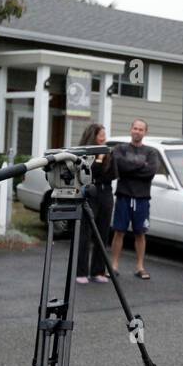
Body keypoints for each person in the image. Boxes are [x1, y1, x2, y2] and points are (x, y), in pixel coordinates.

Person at [109, 118, 163, 279]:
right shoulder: (120, 149)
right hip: (123, 196)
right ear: (131, 129)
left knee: (140, 233)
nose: (137, 131)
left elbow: (151, 171)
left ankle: (140, 267)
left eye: (141, 129)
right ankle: (114, 266)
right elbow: (119, 166)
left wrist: (130, 167)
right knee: (119, 231)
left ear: (145, 132)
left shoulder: (151, 152)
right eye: (135, 128)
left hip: (142, 198)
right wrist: (141, 165)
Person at [75, 122, 115, 285]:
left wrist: (100, 166)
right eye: (101, 135)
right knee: (84, 234)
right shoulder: (83, 154)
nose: (104, 138)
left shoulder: (109, 152)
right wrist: (98, 162)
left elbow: (113, 174)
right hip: (88, 195)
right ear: (93, 136)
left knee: (102, 233)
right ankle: (81, 271)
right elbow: (86, 175)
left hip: (105, 194)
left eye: (105, 135)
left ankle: (98, 271)